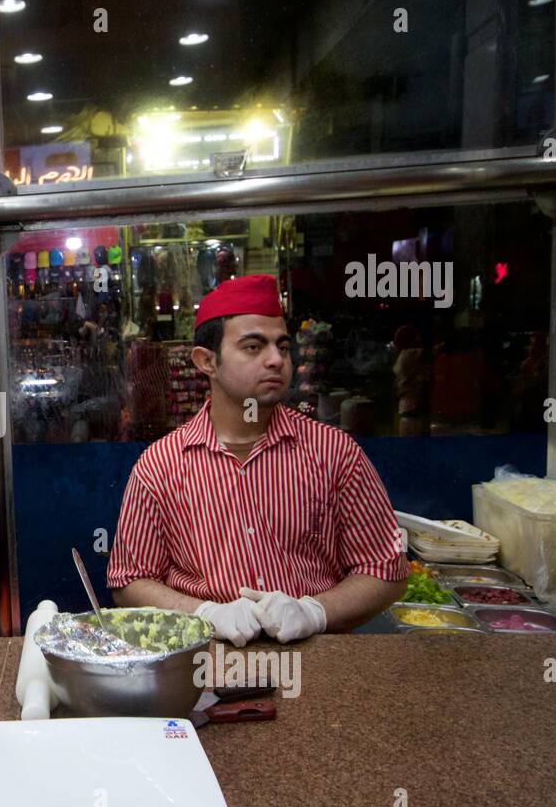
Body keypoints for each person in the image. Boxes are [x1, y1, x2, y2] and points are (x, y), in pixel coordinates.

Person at [107, 274, 407, 645]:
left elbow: (386, 569)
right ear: (207, 362)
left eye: (283, 346)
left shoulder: (335, 454)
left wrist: (315, 611)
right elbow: (128, 580)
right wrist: (203, 613)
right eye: (253, 347)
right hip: (204, 664)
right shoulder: (162, 465)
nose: (276, 360)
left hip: (319, 663)